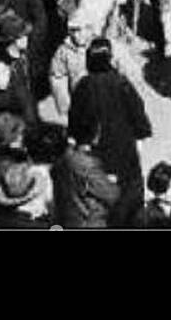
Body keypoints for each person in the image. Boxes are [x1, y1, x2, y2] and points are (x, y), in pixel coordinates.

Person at [67, 37, 152, 188]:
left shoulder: (84, 85)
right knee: (127, 187)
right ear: (110, 58)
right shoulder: (121, 82)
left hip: (94, 148)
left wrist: (78, 139)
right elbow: (137, 110)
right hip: (123, 145)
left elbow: (75, 118)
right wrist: (142, 133)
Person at [52, 110, 121, 229]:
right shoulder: (86, 164)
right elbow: (112, 195)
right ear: (95, 135)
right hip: (89, 222)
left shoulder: (61, 160)